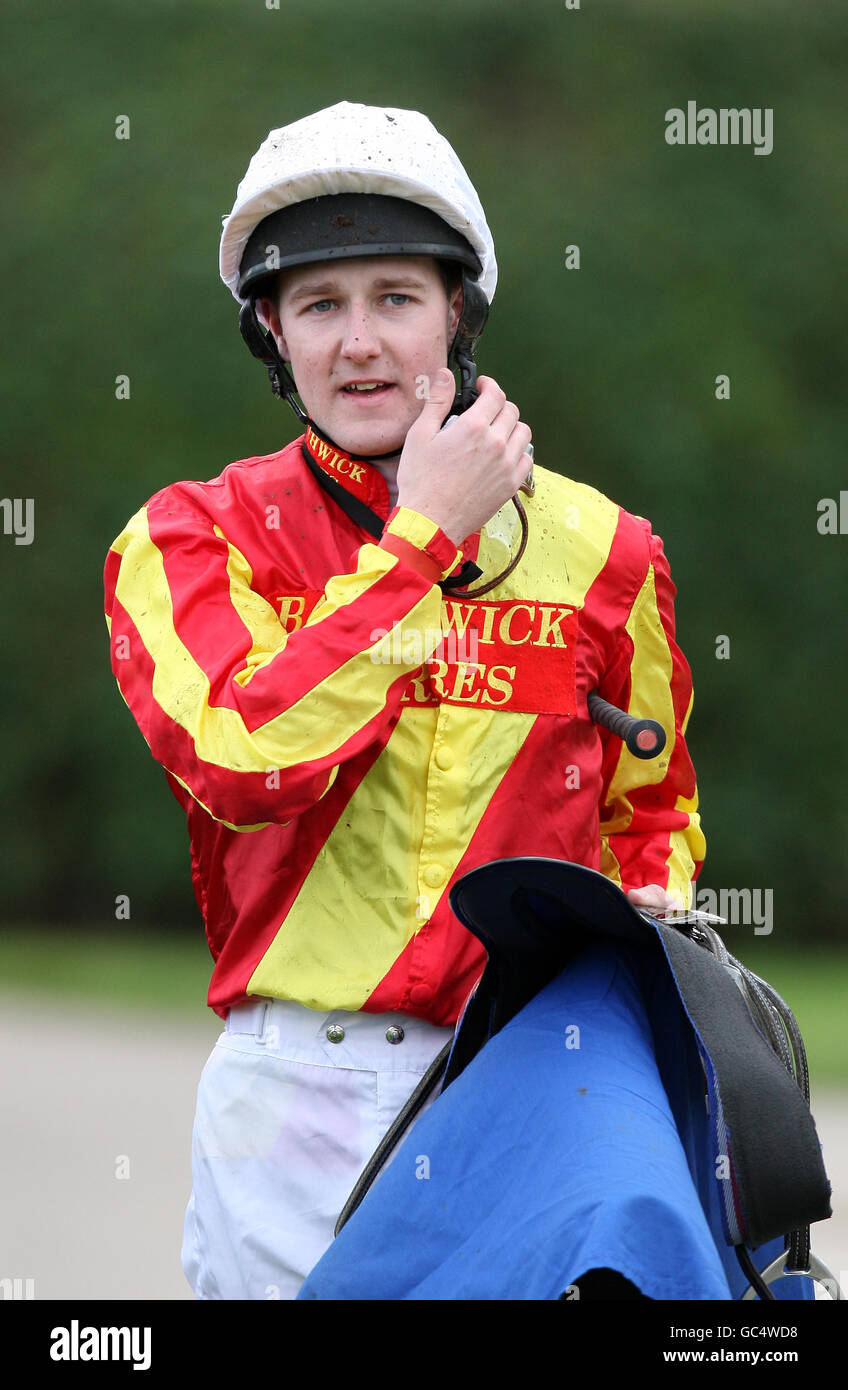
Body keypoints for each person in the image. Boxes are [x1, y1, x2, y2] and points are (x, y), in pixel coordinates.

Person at [103, 100, 705, 1300]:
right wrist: (425, 538)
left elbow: (656, 811)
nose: (360, 341)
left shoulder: (611, 552)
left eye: (395, 297)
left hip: (530, 1086)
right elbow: (242, 759)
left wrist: (660, 894)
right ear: (271, 332)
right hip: (292, 1097)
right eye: (320, 305)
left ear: (457, 315)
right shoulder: (190, 534)